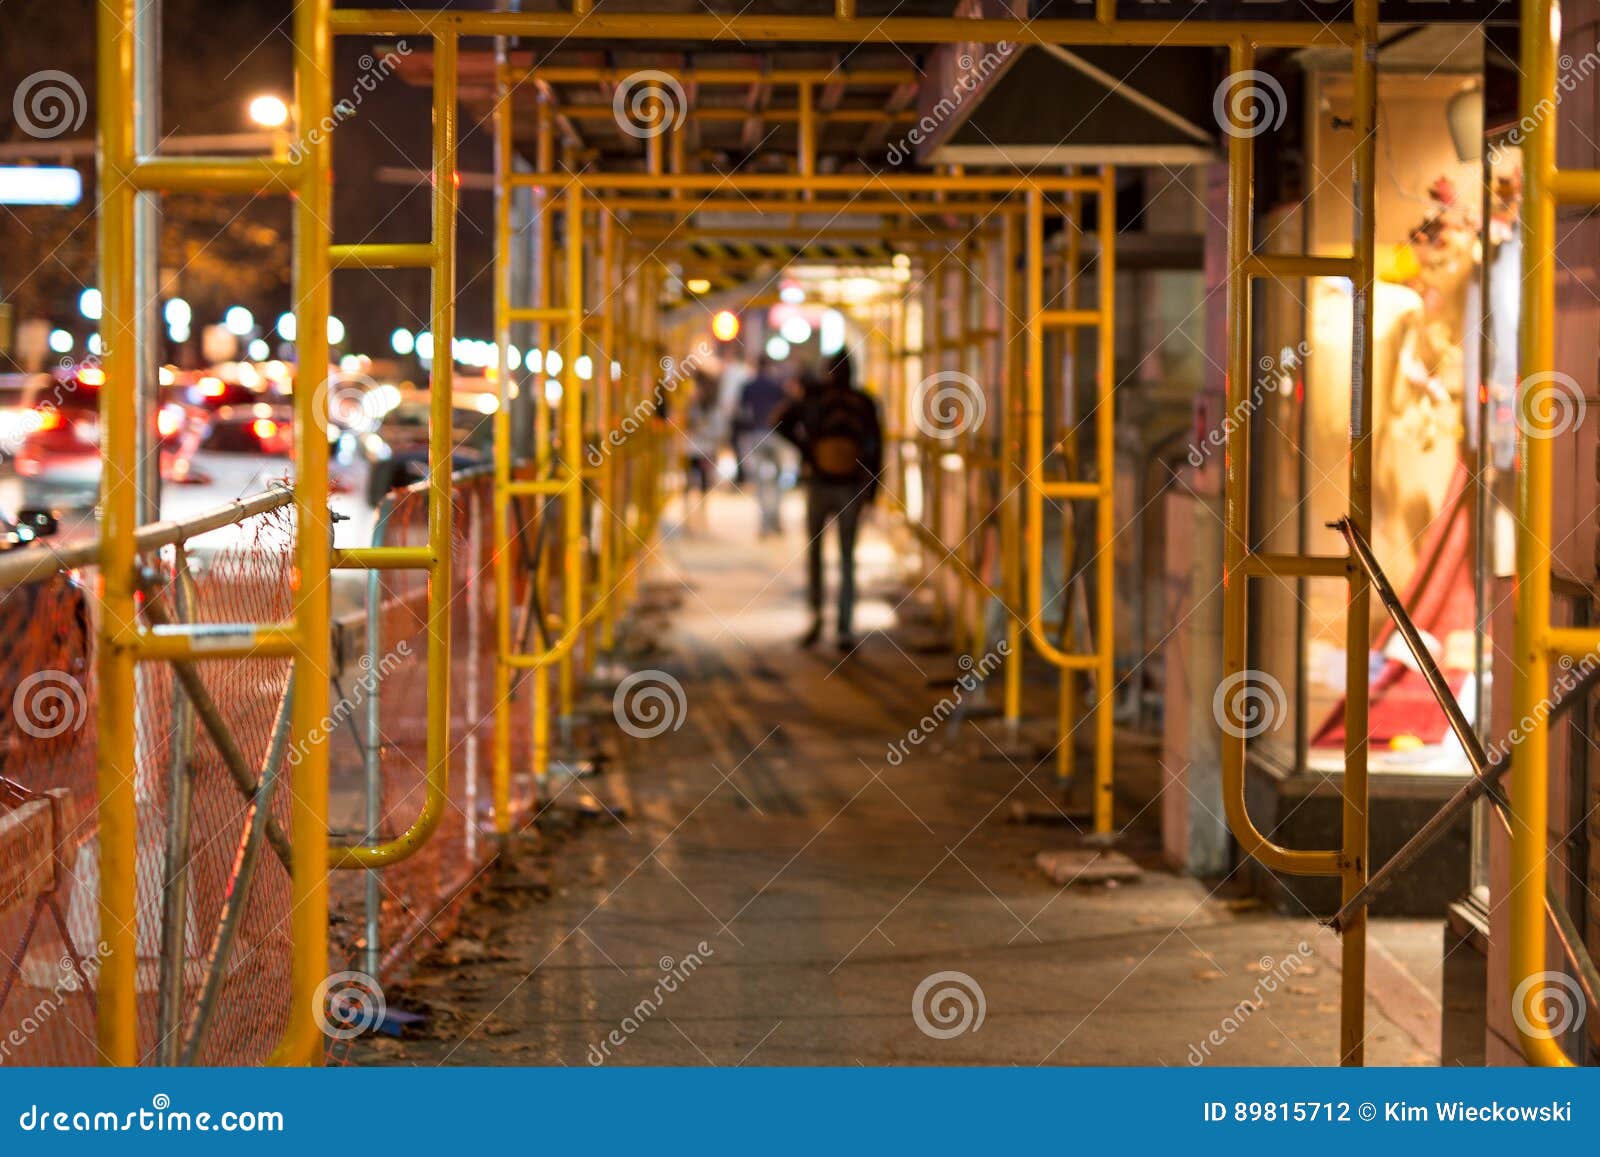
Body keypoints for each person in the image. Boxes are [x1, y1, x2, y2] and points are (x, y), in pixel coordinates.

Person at [773, 351, 883, 652]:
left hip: (820, 482)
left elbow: (779, 421)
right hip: (850, 485)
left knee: (816, 554)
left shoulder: (816, 400)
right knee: (847, 557)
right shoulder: (863, 402)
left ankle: (817, 617)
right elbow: (876, 446)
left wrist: (807, 450)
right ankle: (844, 628)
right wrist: (873, 489)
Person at [731, 354, 792, 537]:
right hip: (776, 436)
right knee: (780, 479)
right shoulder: (778, 386)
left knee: (760, 481)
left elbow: (741, 411)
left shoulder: (748, 387)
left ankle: (764, 523)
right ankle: (775, 517)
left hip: (755, 435)